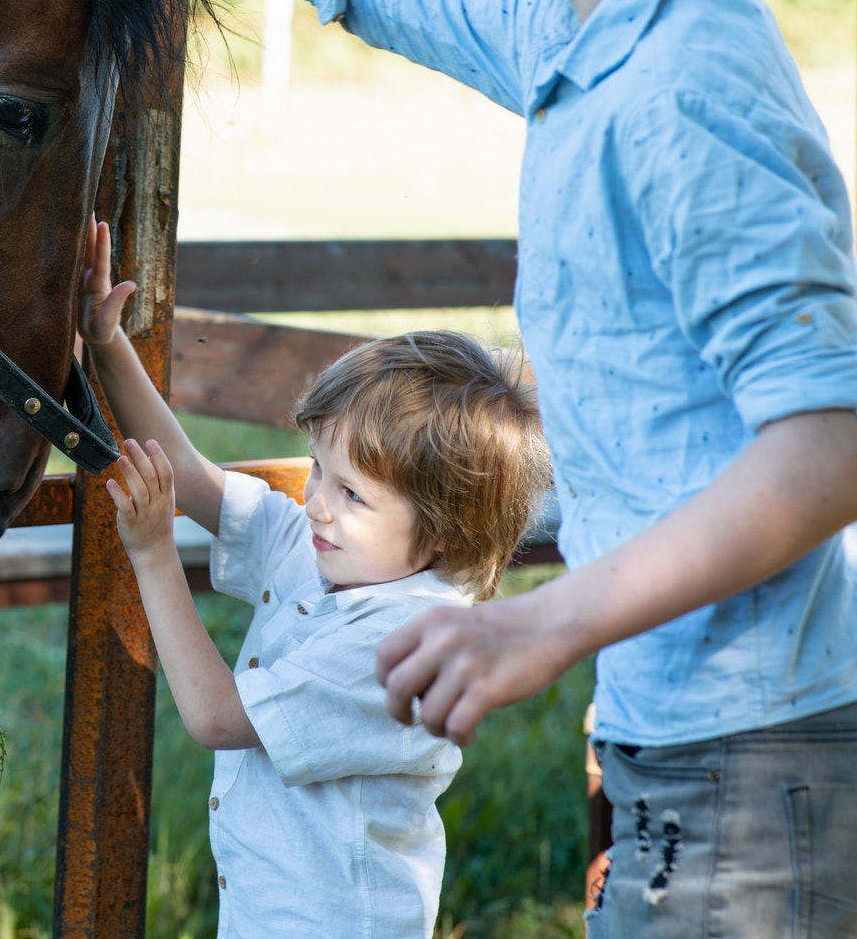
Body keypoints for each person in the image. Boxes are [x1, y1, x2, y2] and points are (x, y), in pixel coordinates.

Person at [13, 0, 857, 936]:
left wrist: (543, 623)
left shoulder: (687, 96)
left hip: (781, 758)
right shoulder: (584, 17)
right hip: (709, 739)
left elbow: (832, 457)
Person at [85, 215, 545, 939]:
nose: (316, 504)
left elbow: (217, 718)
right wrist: (107, 348)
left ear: (444, 529)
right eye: (319, 471)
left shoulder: (406, 645)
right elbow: (197, 480)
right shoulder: (331, 548)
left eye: (352, 493)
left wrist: (152, 554)